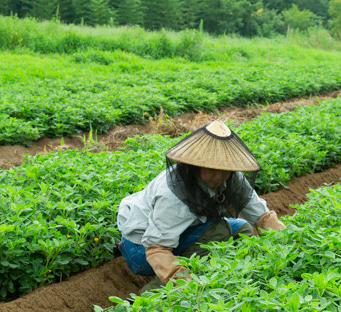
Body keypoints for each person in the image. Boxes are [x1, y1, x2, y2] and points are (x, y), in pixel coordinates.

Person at [117, 119, 286, 290]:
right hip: (141, 248)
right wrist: (186, 286)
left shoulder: (232, 178)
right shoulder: (173, 194)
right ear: (197, 165)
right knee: (218, 233)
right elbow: (156, 249)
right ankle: (152, 294)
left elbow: (262, 217)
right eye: (212, 169)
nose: (218, 177)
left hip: (178, 232)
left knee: (242, 229)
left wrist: (289, 245)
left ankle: (224, 276)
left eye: (224, 170)